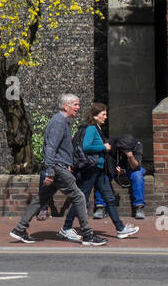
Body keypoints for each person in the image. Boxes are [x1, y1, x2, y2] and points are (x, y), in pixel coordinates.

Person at [10, 94, 107, 246]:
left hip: (59, 166)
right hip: (57, 167)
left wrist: (66, 162)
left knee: (41, 199)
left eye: (78, 104)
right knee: (79, 196)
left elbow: (60, 147)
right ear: (65, 106)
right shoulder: (58, 122)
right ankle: (88, 235)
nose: (78, 108)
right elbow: (50, 148)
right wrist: (50, 171)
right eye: (75, 104)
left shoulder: (63, 122)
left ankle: (20, 229)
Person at [59, 103, 139, 241]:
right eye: (103, 114)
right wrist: (103, 146)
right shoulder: (91, 128)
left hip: (98, 169)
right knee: (81, 198)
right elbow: (86, 146)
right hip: (91, 169)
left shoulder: (96, 128)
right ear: (95, 116)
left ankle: (120, 228)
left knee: (109, 198)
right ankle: (66, 228)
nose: (106, 117)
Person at [93, 132, 146, 220]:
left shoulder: (137, 145)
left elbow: (135, 167)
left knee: (138, 175)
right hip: (113, 167)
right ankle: (100, 206)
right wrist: (115, 171)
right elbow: (106, 163)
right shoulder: (111, 143)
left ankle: (139, 207)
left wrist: (129, 156)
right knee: (102, 174)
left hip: (131, 169)